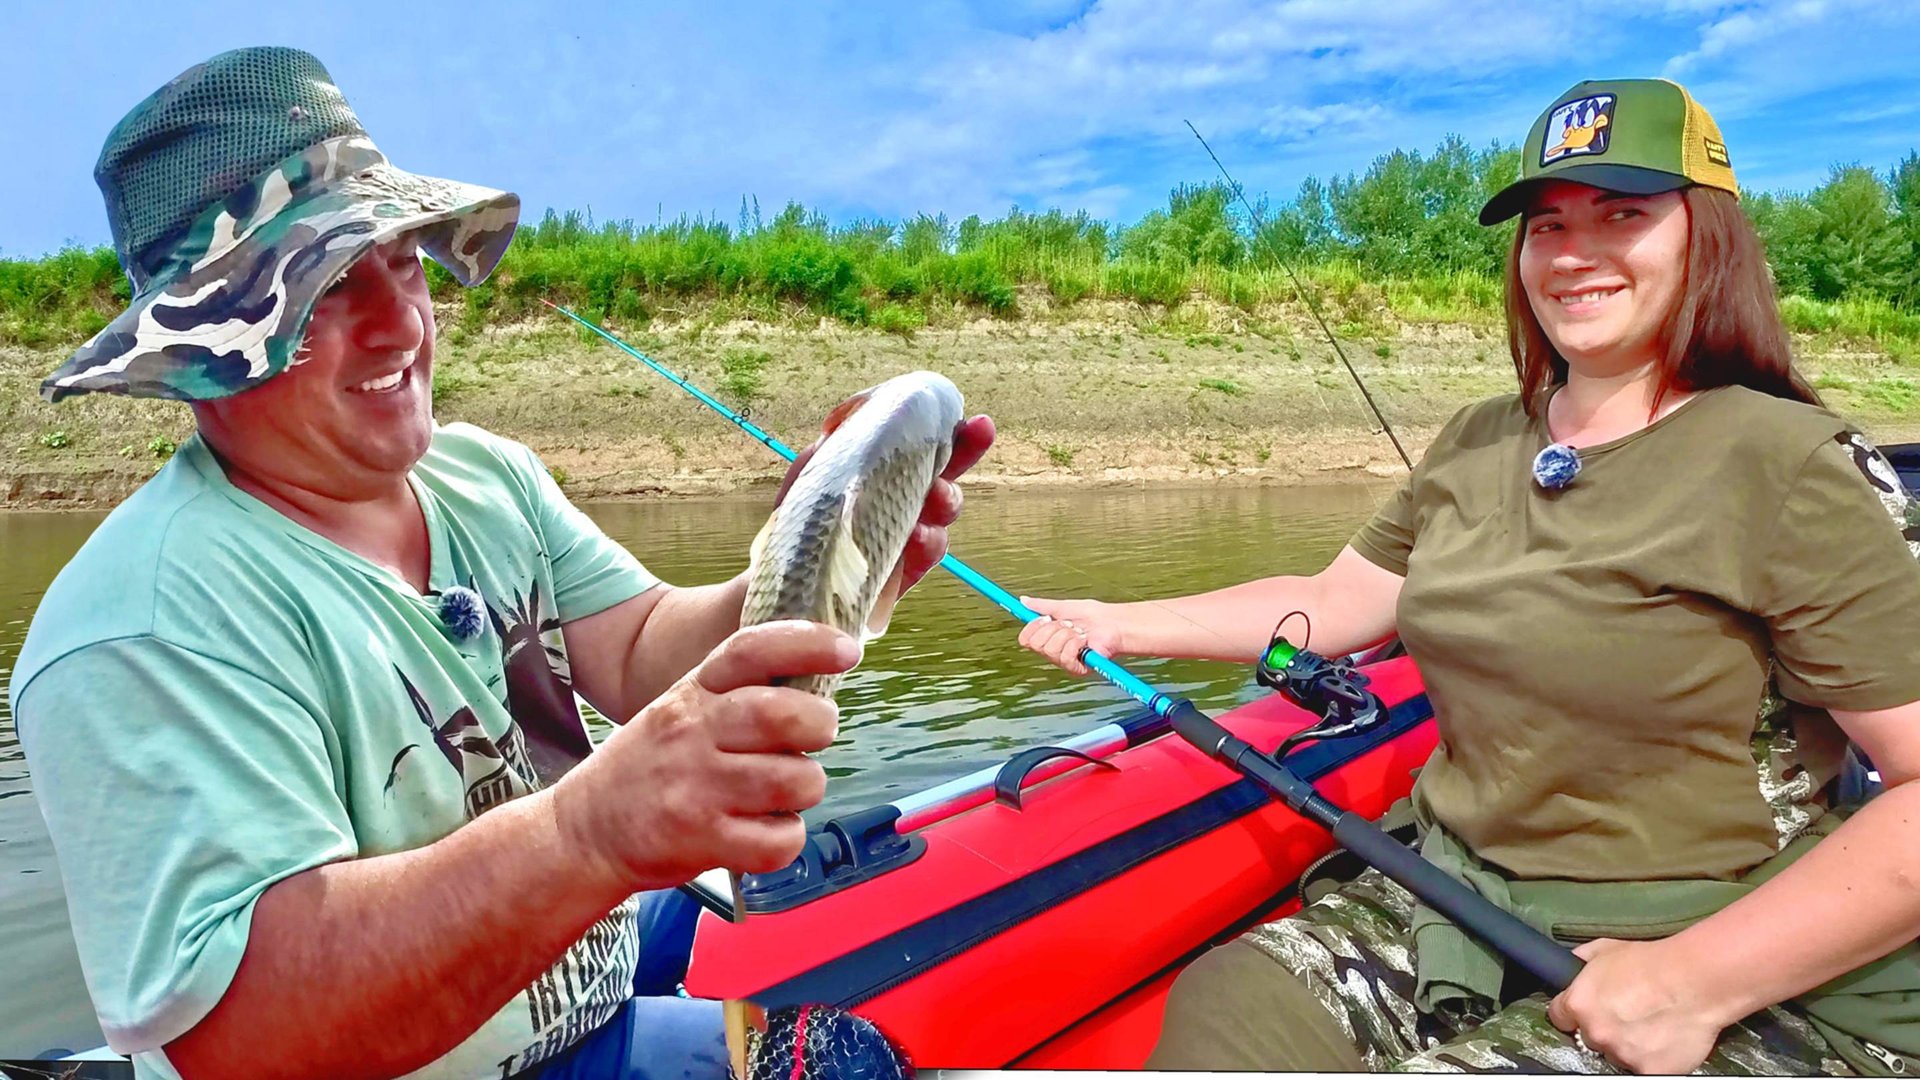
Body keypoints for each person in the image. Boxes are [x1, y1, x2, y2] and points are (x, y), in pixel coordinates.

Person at [8, 47, 993, 1080]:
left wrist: (809, 572)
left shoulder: (486, 476)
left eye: (398, 258)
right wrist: (587, 835)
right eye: (323, 289)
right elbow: (244, 1040)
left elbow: (648, 648)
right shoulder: (142, 624)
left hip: (578, 976)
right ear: (209, 348)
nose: (401, 322)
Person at [1019, 78, 1920, 1076]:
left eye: (1622, 213)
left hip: (1711, 929)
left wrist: (1698, 979)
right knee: (1231, 1010)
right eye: (1546, 224)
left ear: (1704, 237)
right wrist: (1118, 621)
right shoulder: (1478, 439)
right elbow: (1329, 608)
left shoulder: (1793, 465)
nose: (1573, 252)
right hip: (1462, 894)